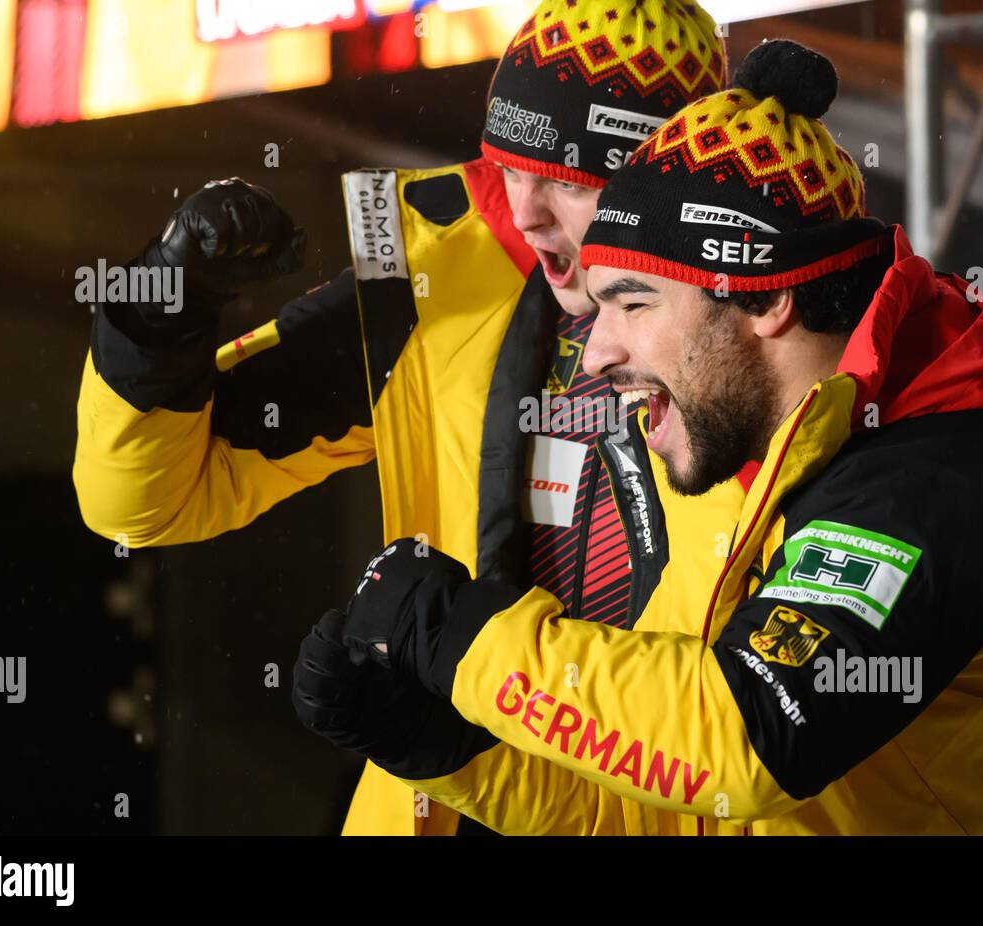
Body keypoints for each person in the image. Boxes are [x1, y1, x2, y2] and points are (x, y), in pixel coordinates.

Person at [312, 39, 983, 835]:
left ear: (767, 300)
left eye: (633, 304)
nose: (598, 352)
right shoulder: (785, 456)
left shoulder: (942, 464)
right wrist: (457, 753)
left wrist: (471, 641)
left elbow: (746, 742)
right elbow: (691, 807)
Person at [73, 0, 730, 835]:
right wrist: (163, 313)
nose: (525, 212)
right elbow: (145, 501)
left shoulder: (780, 354)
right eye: (510, 166)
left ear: (662, 178)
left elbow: (744, 749)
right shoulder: (441, 289)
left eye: (565, 178)